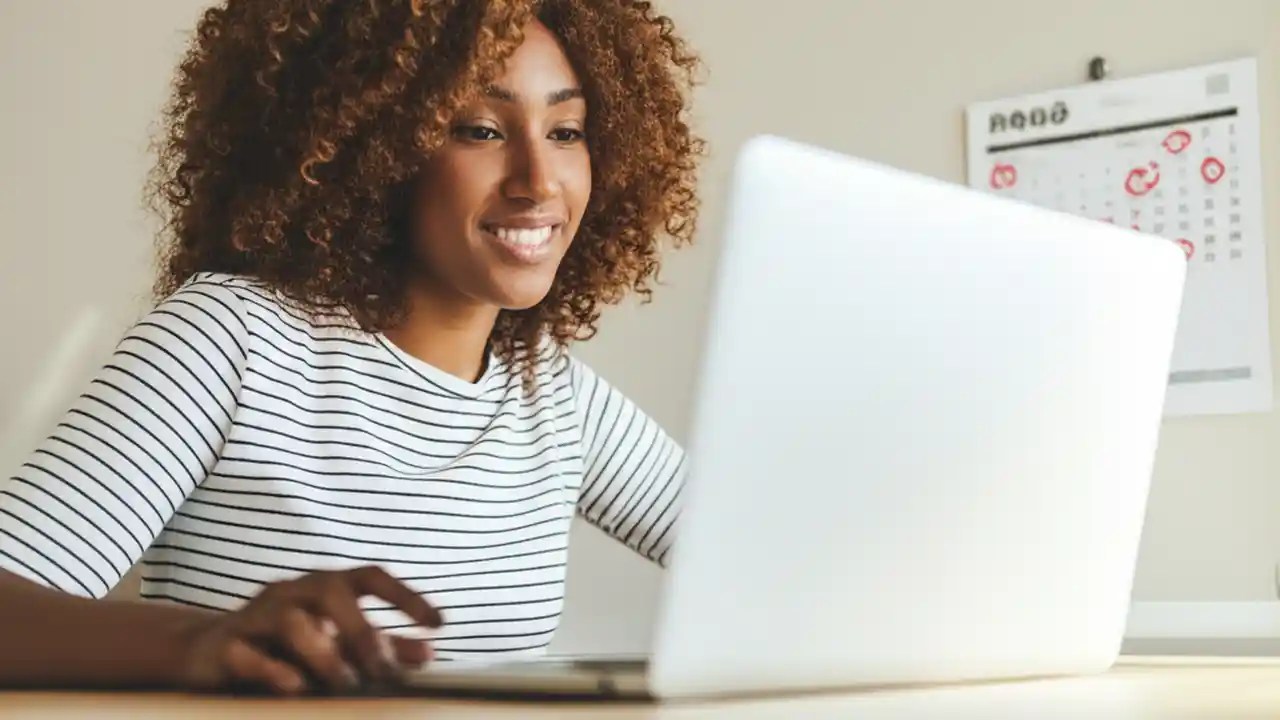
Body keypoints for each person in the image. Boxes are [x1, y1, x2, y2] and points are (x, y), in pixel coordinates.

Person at [0, 0, 702, 695]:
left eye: (567, 131)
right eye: (480, 130)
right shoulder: (234, 339)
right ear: (373, 147)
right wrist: (204, 640)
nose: (538, 181)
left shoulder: (551, 395)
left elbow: (762, 557)